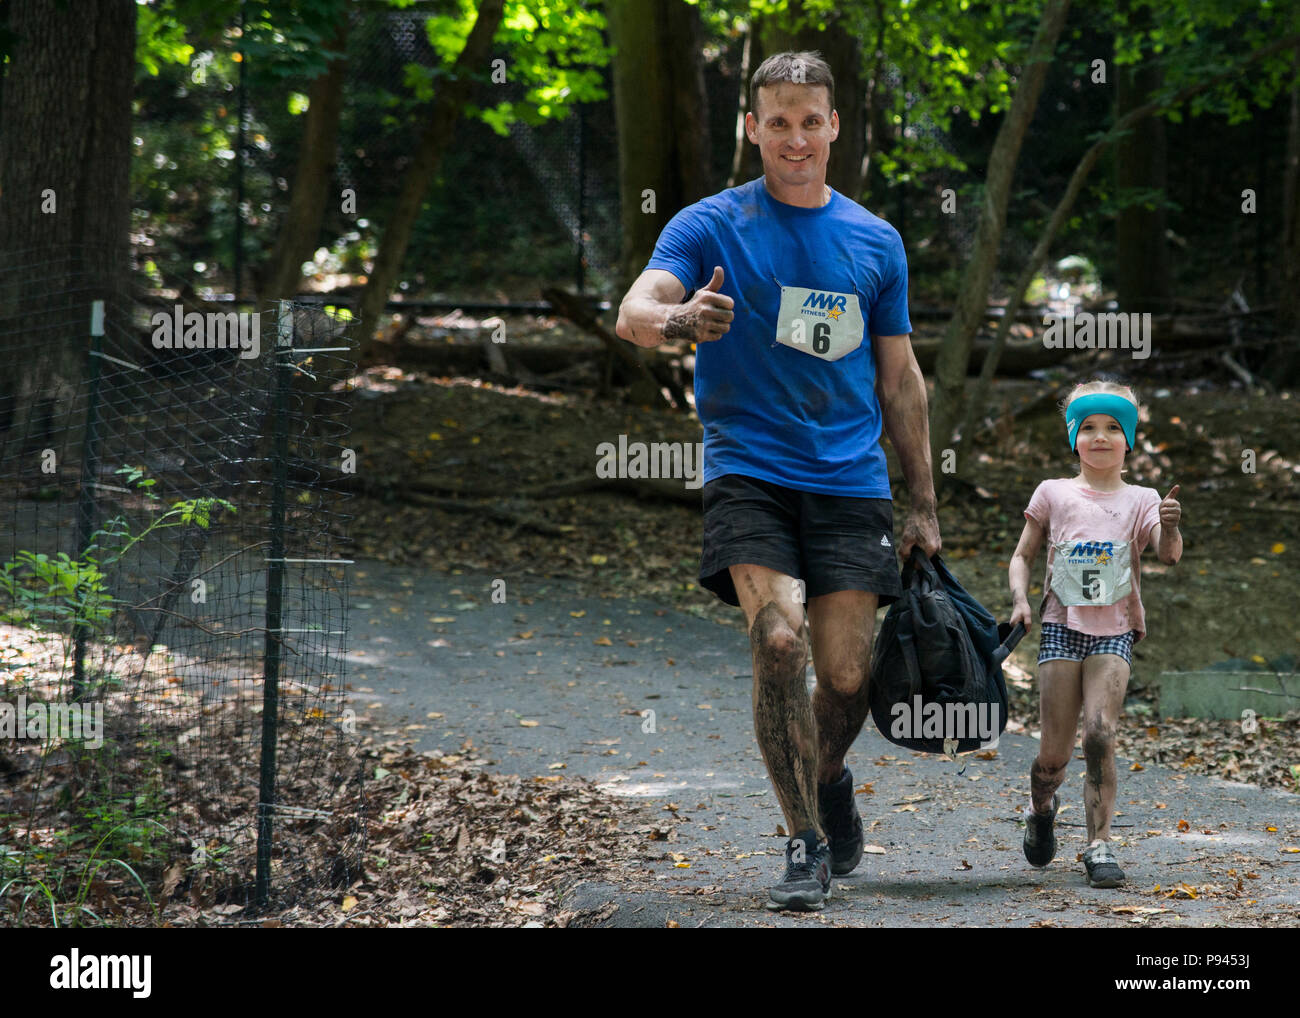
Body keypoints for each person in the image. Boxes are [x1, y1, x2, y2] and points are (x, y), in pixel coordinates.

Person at [615, 51, 940, 910]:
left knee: (843, 675)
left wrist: (926, 505)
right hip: (750, 469)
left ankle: (827, 772)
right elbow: (634, 311)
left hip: (850, 481)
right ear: (750, 128)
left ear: (834, 127)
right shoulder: (709, 225)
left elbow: (901, 381)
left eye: (809, 120)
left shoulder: (876, 241)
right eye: (776, 121)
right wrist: (681, 318)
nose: (793, 137)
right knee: (780, 642)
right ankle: (803, 841)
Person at [1008, 379, 1183, 888]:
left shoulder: (1143, 498)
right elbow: (1022, 555)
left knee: (1101, 734)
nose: (1101, 437)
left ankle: (1098, 844)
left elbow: (1168, 554)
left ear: (1128, 439)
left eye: (1113, 428)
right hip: (1061, 629)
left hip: (1115, 631)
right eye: (1088, 428)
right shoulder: (1053, 493)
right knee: (1053, 755)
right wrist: (1020, 600)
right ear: (1073, 438)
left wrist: (1169, 525)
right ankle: (1042, 808)